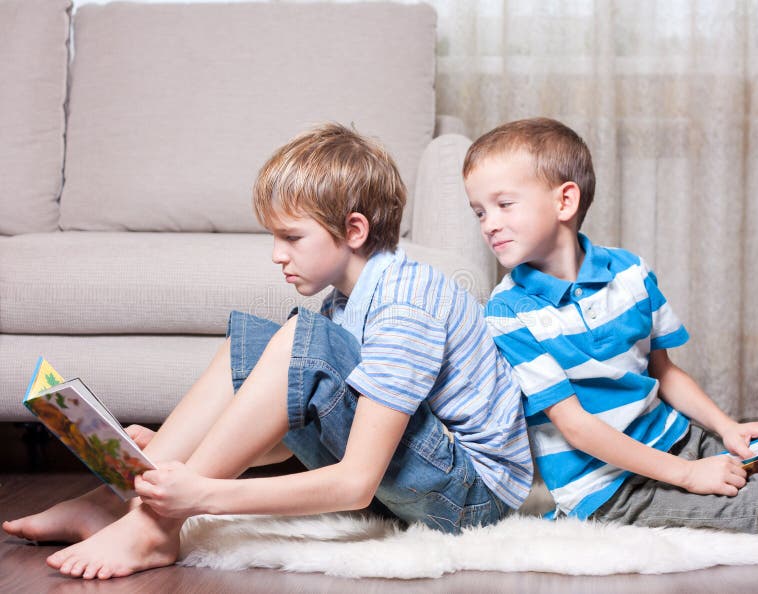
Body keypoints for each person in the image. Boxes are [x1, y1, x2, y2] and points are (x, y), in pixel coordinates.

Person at [3, 123, 533, 579]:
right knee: (256, 344)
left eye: (291, 237)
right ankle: (116, 498)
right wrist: (179, 450)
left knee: (300, 343)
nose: (277, 256)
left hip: (470, 499)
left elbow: (354, 482)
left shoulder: (405, 308)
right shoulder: (345, 305)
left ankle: (155, 526)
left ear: (353, 230)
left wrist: (202, 497)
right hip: (435, 478)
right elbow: (288, 438)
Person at [462, 117, 758, 534]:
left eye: (503, 204)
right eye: (479, 212)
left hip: (677, 441)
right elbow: (577, 428)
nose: (489, 223)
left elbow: (665, 371)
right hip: (611, 489)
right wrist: (690, 476)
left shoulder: (630, 272)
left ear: (565, 201)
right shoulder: (507, 313)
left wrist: (727, 428)